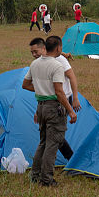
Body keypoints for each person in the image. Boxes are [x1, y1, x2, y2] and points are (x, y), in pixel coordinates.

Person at [23, 38, 76, 186]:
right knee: (53, 144)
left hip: (41, 106)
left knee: (43, 142)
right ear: (59, 48)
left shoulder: (35, 64)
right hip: (54, 107)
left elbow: (25, 84)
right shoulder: (57, 66)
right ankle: (46, 179)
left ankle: (35, 175)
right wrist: (70, 111)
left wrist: (41, 89)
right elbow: (59, 92)